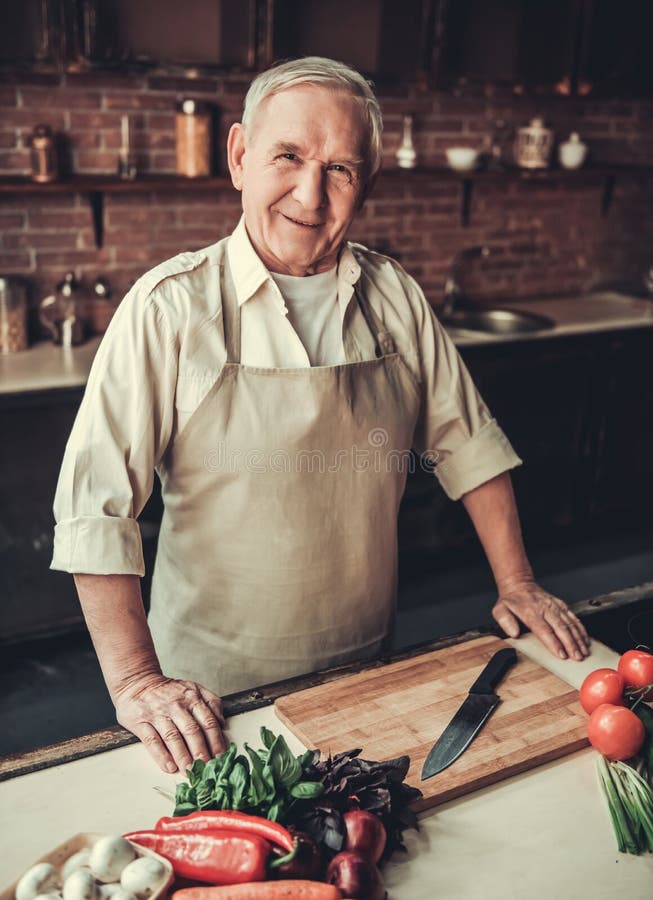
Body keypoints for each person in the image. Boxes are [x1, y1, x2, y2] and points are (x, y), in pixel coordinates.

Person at [52, 56, 589, 775]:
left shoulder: (392, 294)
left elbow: (467, 441)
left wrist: (517, 581)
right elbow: (96, 509)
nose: (310, 192)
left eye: (339, 169)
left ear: (366, 182)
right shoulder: (169, 306)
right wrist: (137, 683)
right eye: (288, 157)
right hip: (208, 693)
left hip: (369, 658)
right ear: (240, 156)